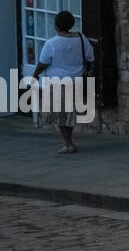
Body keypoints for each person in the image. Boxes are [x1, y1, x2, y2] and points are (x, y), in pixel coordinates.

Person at [28, 11, 94, 155]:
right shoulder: (82, 39)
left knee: (60, 115)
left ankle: (68, 144)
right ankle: (69, 142)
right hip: (76, 81)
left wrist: (34, 76)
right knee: (69, 114)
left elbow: (42, 63)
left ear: (57, 25)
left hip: (57, 83)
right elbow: (90, 57)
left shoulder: (52, 43)